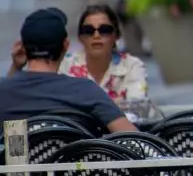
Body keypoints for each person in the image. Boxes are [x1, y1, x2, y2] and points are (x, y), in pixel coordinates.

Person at [0, 9, 135, 131]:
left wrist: (15, 68)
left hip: (18, 157)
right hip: (76, 157)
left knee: (15, 146)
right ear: (66, 45)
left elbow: (9, 89)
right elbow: (134, 140)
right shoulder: (85, 90)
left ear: (21, 47)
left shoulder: (5, 92)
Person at [61, 2, 150, 116]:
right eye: (88, 30)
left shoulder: (133, 66)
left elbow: (139, 108)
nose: (96, 35)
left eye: (104, 30)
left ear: (116, 36)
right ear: (80, 37)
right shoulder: (64, 66)